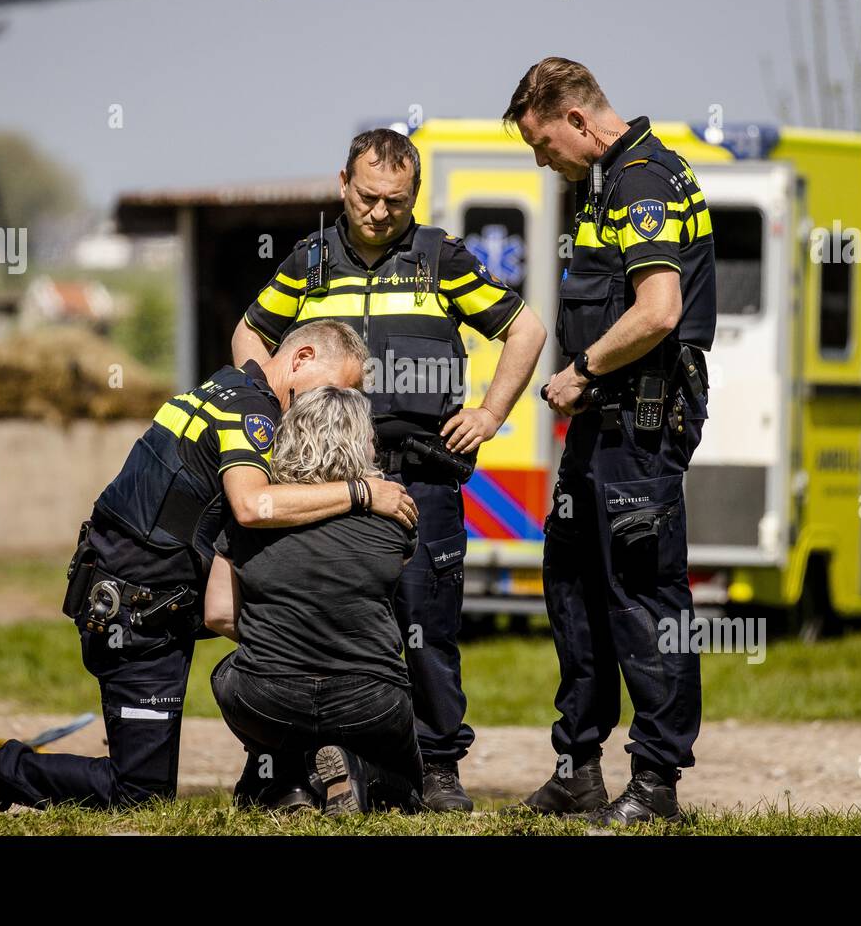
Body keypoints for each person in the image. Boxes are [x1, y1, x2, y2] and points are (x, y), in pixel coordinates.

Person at [0, 319, 417, 810]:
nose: (334, 403)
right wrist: (360, 491)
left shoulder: (228, 386)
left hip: (144, 599)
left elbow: (248, 335)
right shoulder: (250, 411)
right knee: (139, 791)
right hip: (136, 615)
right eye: (337, 387)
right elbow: (253, 506)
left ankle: (278, 784)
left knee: (281, 661)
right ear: (300, 358)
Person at [232, 128, 547, 811]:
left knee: (426, 623)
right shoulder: (308, 261)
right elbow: (250, 334)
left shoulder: (442, 259)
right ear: (342, 183)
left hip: (419, 481)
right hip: (320, 482)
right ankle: (303, 767)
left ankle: (436, 768)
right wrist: (267, 411)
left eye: (396, 203)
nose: (380, 213)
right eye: (369, 197)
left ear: (415, 198)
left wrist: (491, 415)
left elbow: (526, 329)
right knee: (312, 618)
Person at [504, 57, 716, 825]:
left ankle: (656, 786)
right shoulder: (608, 182)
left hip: (639, 424)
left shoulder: (641, 180)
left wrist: (583, 368)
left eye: (542, 144)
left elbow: (659, 310)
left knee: (644, 598)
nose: (541, 160)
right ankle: (577, 770)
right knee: (574, 589)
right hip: (605, 426)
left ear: (578, 121)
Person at [205, 385, 423, 814]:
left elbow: (216, 615)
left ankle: (290, 783)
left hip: (264, 695)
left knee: (227, 676)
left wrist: (283, 641)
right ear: (361, 443)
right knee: (410, 788)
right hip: (371, 699)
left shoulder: (249, 517)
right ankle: (358, 771)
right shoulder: (396, 518)